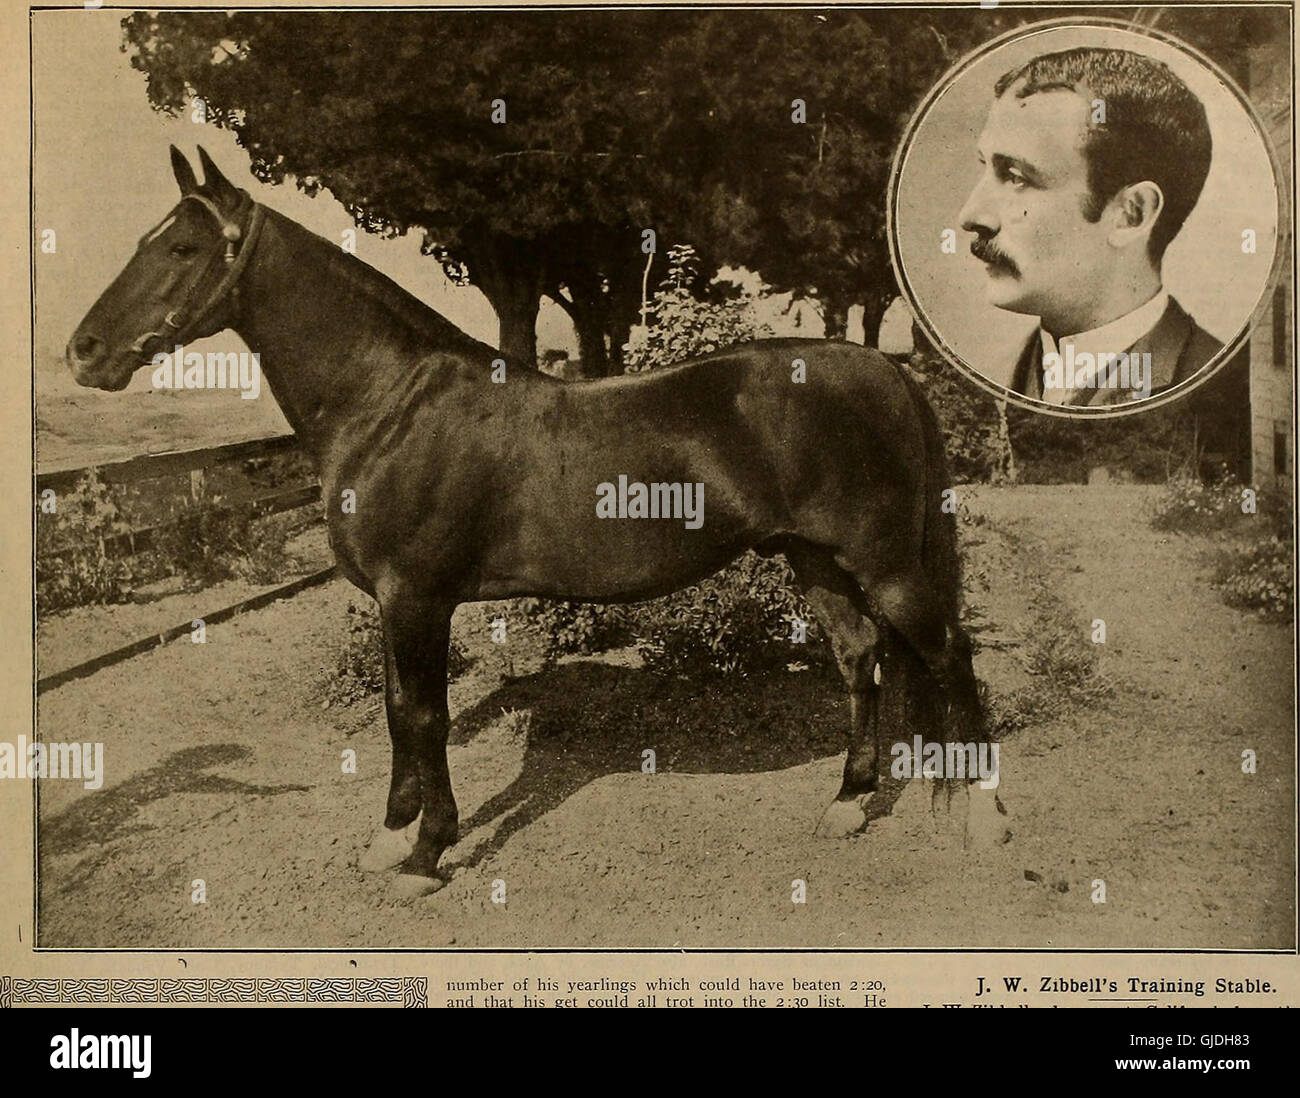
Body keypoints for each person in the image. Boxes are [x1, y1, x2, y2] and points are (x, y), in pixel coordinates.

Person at [958, 46, 1221, 406]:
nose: (971, 215)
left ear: (1131, 214)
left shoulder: (1221, 389)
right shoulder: (992, 377)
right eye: (985, 166)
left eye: (1016, 177)